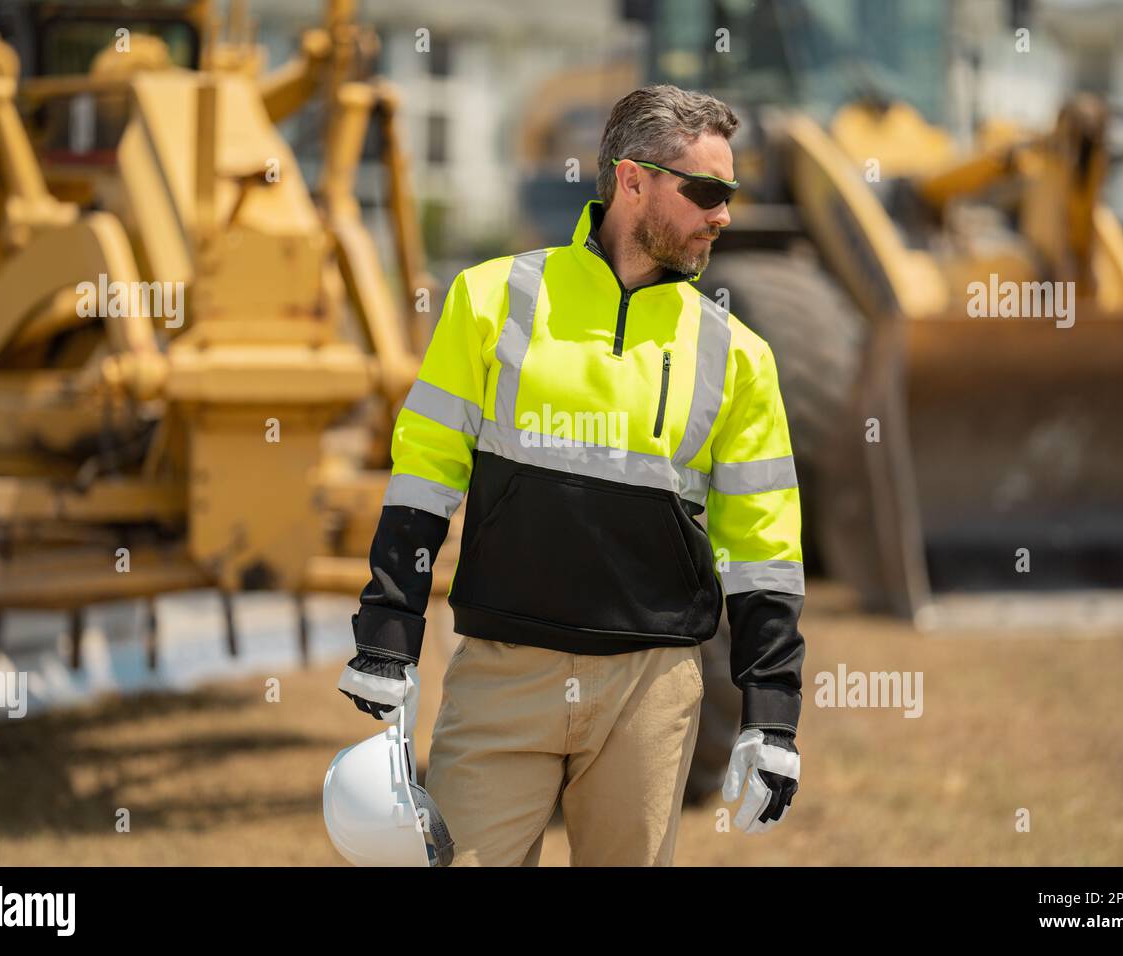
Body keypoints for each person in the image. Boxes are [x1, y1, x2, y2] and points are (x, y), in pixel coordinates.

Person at [338, 84, 805, 866]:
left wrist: (773, 713)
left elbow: (763, 545)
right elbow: (425, 475)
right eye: (706, 192)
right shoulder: (489, 301)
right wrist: (388, 631)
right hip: (500, 677)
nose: (724, 214)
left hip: (651, 691)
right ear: (632, 181)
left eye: (731, 193)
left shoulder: (741, 357)